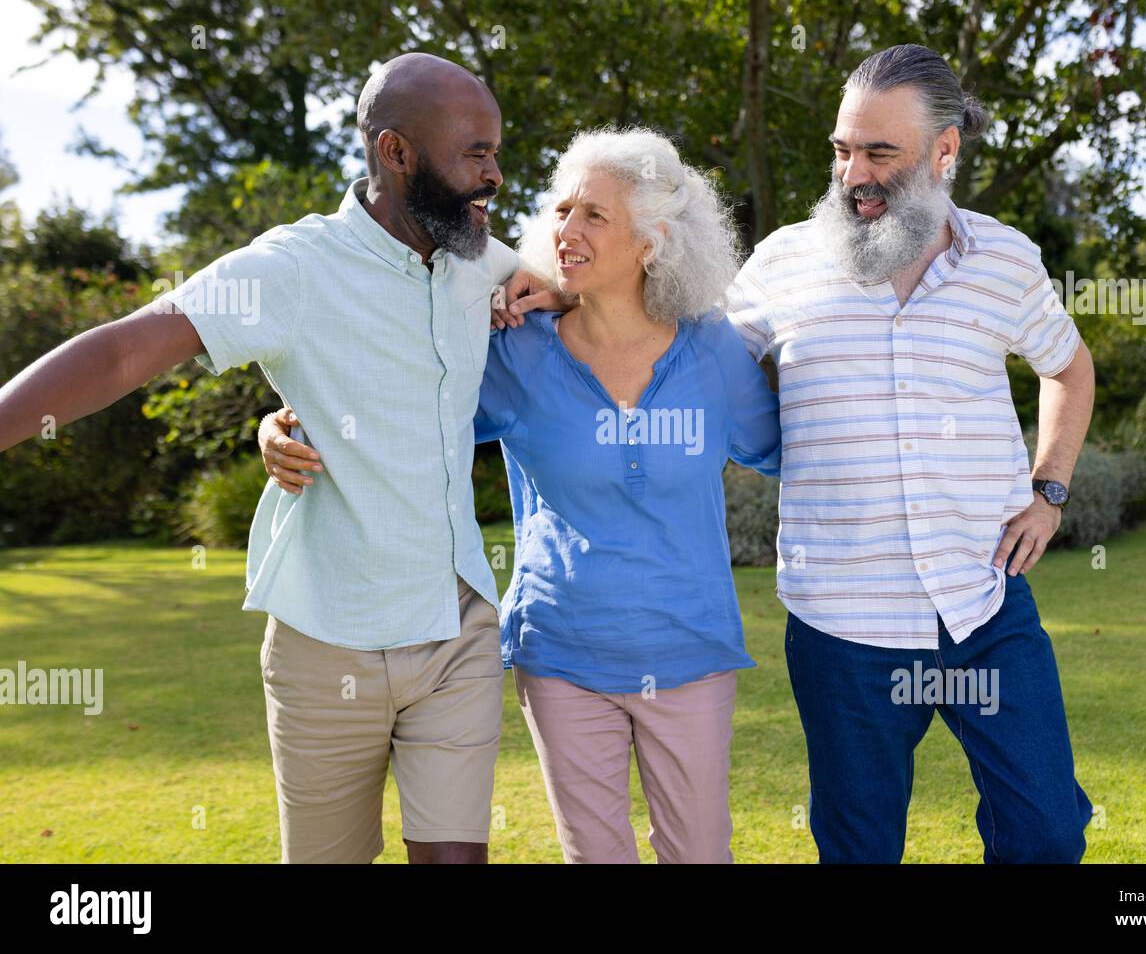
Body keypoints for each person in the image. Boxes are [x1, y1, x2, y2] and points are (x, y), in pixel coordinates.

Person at [497, 44, 1098, 864]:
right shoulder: (781, 263)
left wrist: (1049, 486)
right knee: (858, 850)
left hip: (983, 602)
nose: (855, 172)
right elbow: (671, 334)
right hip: (844, 626)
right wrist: (571, 279)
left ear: (945, 152)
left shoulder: (1006, 263)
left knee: (1048, 832)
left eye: (880, 153)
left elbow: (1067, 363)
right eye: (843, 150)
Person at [0, 53, 551, 864]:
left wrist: (546, 288)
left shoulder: (475, 254)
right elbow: (124, 353)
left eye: (495, 151)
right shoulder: (291, 268)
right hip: (327, 638)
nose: (496, 175)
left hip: (456, 625)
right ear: (394, 152)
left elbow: (579, 282)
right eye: (475, 154)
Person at [259, 127, 782, 863]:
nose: (565, 228)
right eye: (563, 209)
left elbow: (795, 447)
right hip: (562, 652)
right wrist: (282, 422)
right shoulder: (517, 349)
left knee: (700, 851)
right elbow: (397, 411)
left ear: (652, 241)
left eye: (594, 215)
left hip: (690, 651)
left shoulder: (713, 350)